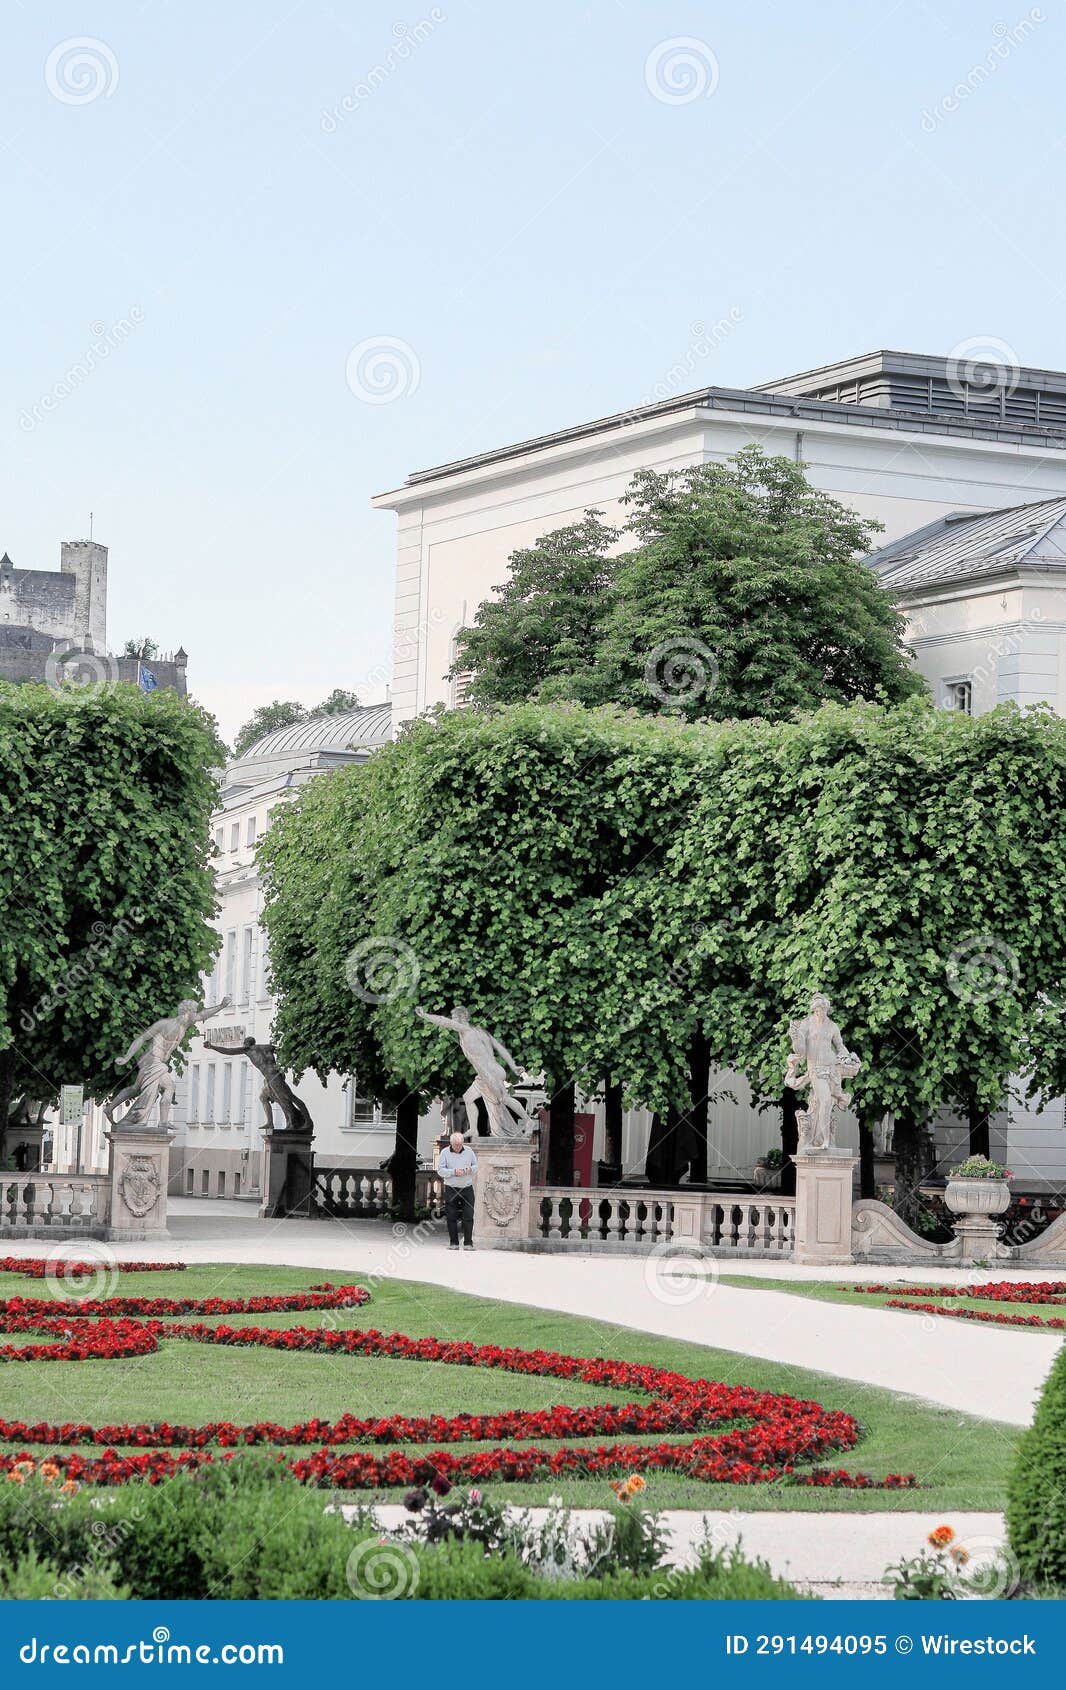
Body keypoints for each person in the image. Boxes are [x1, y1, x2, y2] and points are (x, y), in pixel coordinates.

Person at [437, 1130, 479, 1249]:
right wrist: (453, 1172)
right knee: (451, 1216)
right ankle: (454, 1243)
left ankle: (468, 1244)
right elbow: (440, 1170)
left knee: (469, 1216)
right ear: (451, 1143)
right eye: (456, 1145)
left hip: (467, 1188)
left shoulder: (469, 1151)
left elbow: (476, 1167)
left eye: (460, 1145)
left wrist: (469, 1170)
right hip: (451, 1188)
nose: (458, 1147)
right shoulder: (445, 1152)